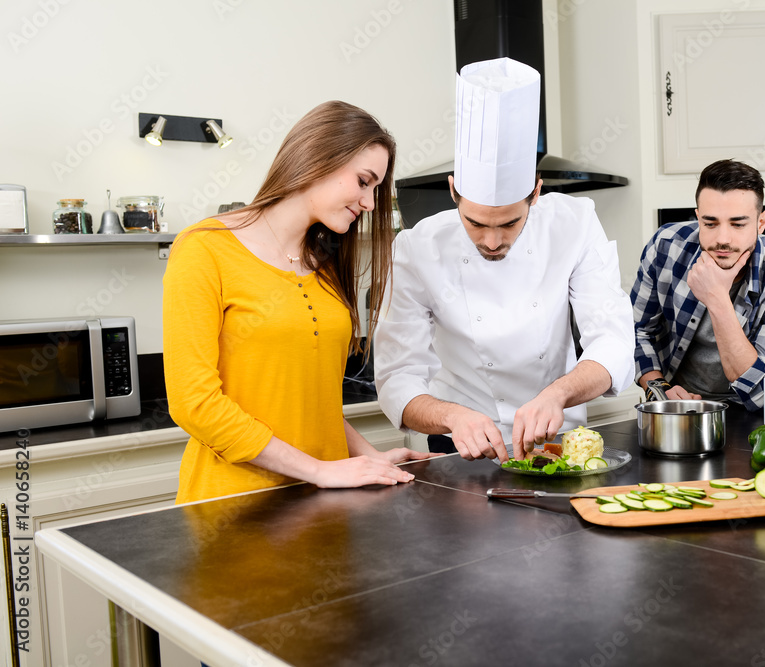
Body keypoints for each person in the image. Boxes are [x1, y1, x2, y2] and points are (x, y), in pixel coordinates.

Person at [163, 101, 437, 504]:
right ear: (318, 158)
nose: (370, 204)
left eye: (376, 188)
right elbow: (195, 405)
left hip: (324, 503)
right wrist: (320, 471)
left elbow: (312, 402)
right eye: (364, 181)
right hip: (235, 507)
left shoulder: (325, 263)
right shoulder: (204, 249)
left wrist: (371, 459)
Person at [374, 57, 634, 462]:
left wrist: (557, 394)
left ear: (535, 191)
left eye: (511, 223)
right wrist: (452, 416)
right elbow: (397, 378)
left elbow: (612, 339)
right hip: (460, 447)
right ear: (453, 191)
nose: (492, 240)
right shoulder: (416, 247)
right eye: (475, 223)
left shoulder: (575, 223)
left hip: (558, 441)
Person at [631, 160, 765, 409]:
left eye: (738, 224)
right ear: (698, 217)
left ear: (761, 223)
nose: (722, 239)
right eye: (710, 223)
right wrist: (658, 388)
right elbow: (637, 331)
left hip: (745, 412)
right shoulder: (665, 246)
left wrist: (716, 297)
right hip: (675, 407)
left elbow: (762, 391)